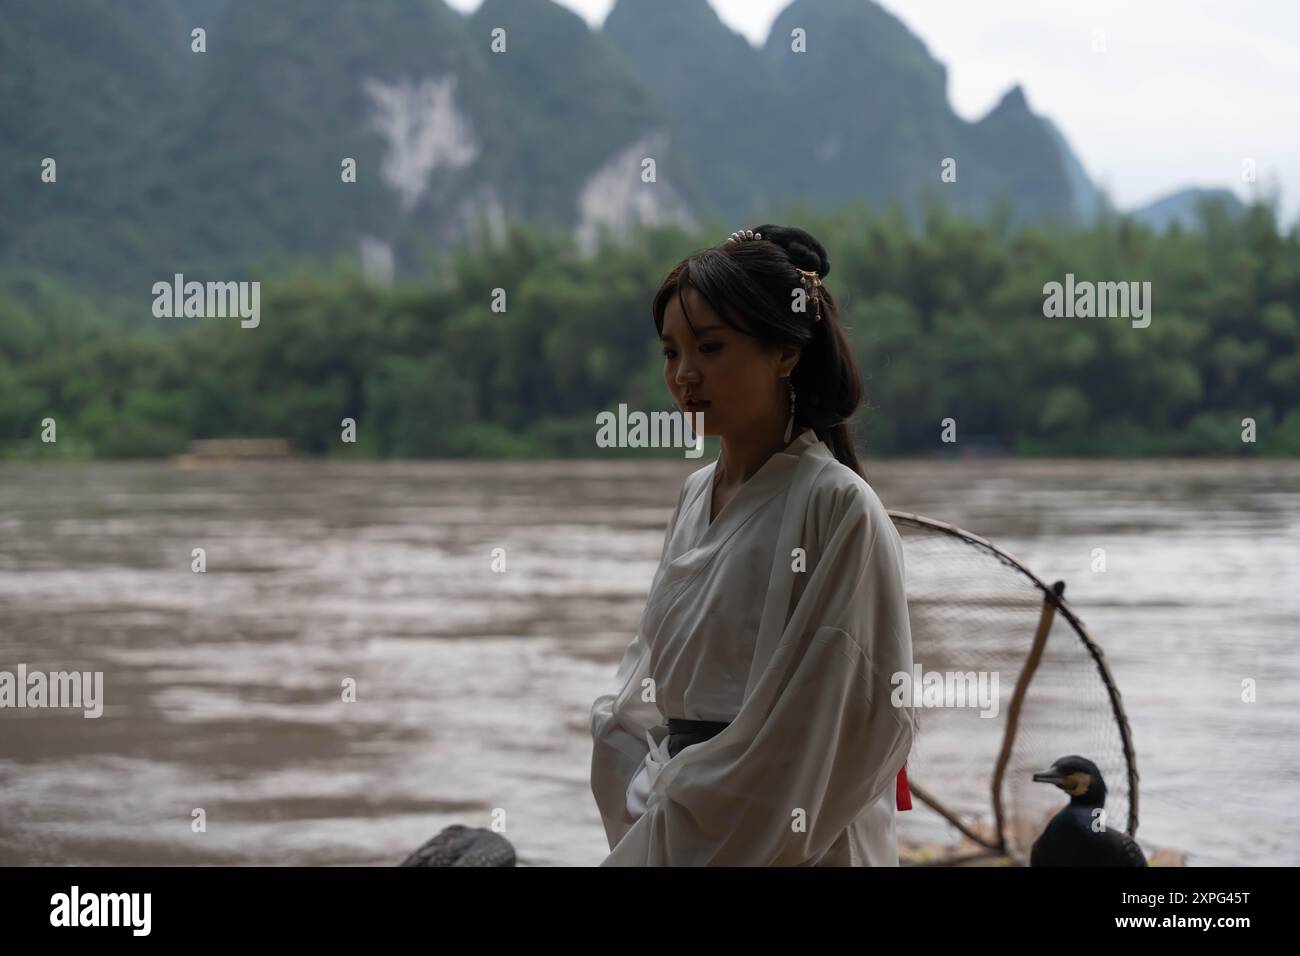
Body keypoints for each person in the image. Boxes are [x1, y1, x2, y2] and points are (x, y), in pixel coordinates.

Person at [589, 224, 917, 866]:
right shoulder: (693, 494)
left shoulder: (836, 505)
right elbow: (643, 683)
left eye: (710, 347)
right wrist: (646, 777)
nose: (685, 375)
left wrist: (699, 805)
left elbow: (843, 717)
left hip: (790, 831)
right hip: (683, 804)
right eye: (670, 351)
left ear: (784, 352)